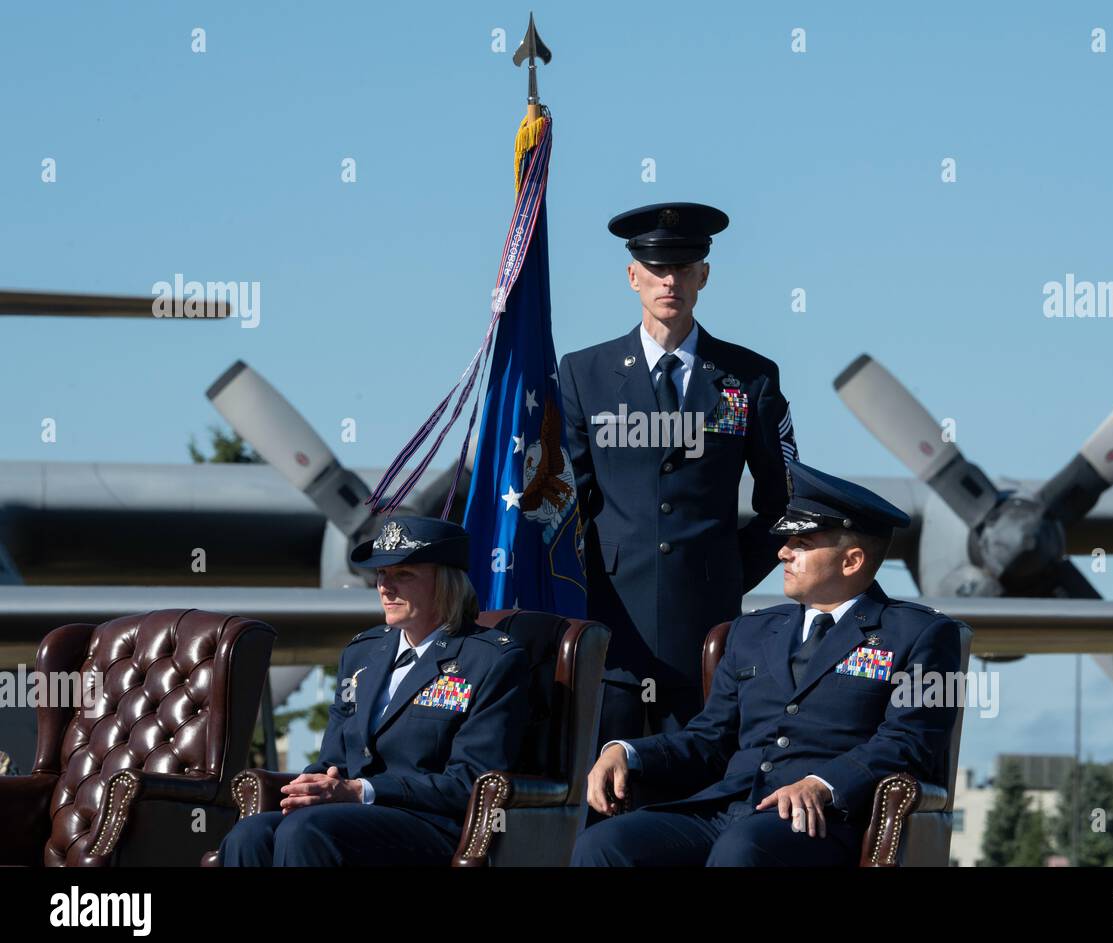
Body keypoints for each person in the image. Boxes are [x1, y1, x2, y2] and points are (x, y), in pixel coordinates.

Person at [570, 462, 963, 866]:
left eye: (803, 543)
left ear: (852, 561)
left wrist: (822, 784)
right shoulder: (751, 632)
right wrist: (626, 752)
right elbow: (709, 739)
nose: (782, 552)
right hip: (728, 809)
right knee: (604, 845)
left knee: (742, 849)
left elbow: (909, 742)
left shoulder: (921, 635)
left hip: (824, 821)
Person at [559, 201, 798, 760]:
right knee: (599, 803)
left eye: (684, 267)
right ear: (632, 276)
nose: (671, 280)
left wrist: (728, 570)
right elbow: (566, 500)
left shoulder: (751, 377)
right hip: (611, 626)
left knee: (696, 792)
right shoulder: (583, 374)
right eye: (657, 267)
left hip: (706, 629)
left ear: (704, 276)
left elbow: (783, 502)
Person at [220, 516, 529, 866]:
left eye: (403, 575)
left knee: (304, 830)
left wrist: (363, 791)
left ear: (446, 583)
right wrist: (311, 786)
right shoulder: (362, 653)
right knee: (250, 833)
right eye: (381, 574)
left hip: (433, 824)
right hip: (347, 817)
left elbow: (467, 782)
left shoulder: (490, 659)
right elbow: (334, 760)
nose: (385, 587)